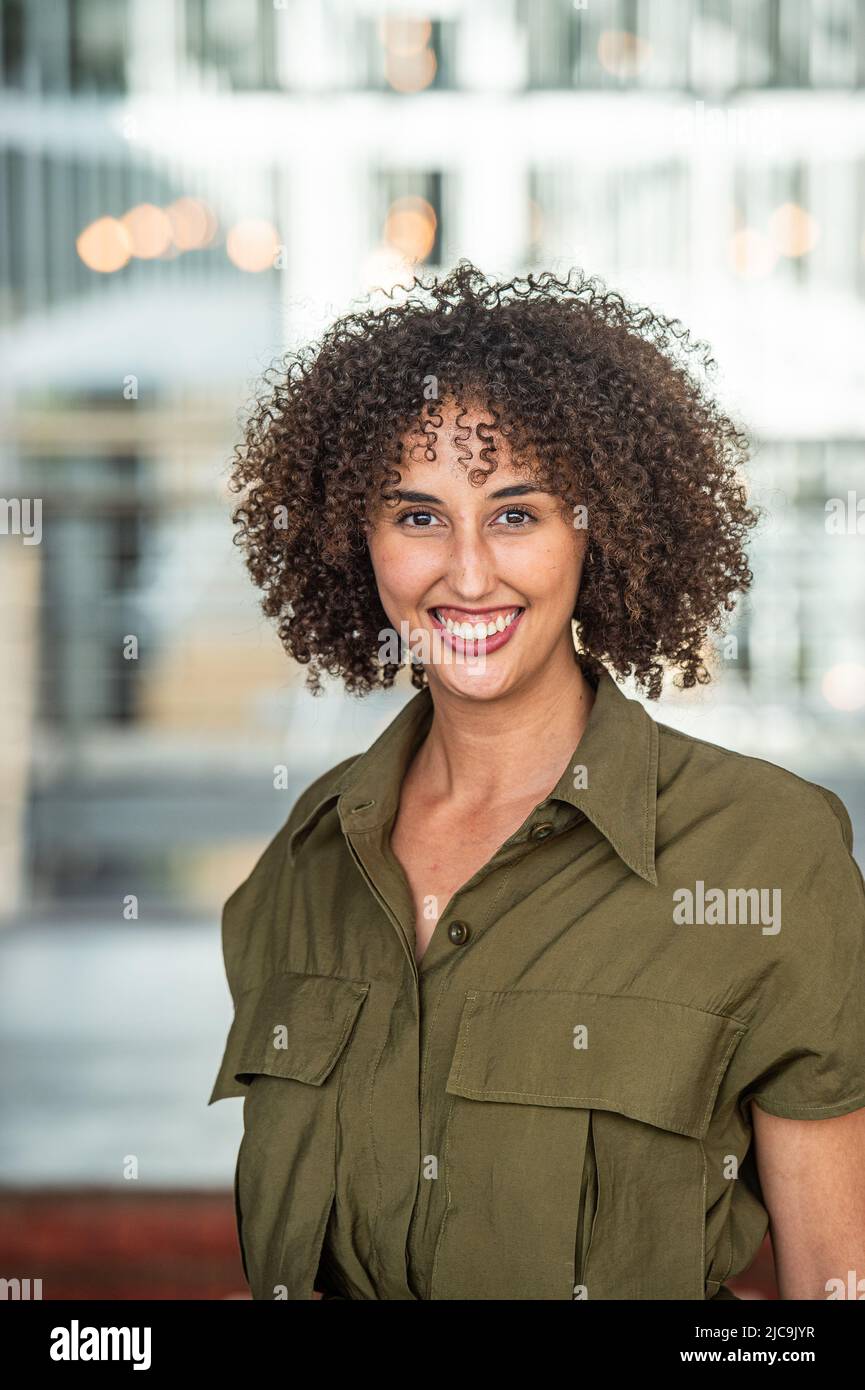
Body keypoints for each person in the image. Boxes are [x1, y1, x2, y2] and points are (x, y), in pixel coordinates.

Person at [208, 263, 865, 1300]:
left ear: (595, 531)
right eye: (418, 516)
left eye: (516, 514)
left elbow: (835, 1285)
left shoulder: (764, 848)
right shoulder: (311, 853)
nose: (467, 574)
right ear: (357, 537)